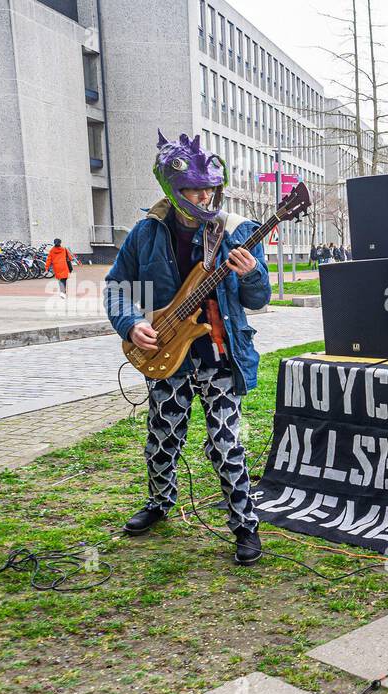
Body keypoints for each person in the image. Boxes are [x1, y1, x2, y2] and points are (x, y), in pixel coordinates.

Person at [104, 131, 271, 565]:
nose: (205, 196)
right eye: (195, 189)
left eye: (210, 188)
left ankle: (244, 527)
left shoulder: (237, 230)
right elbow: (118, 287)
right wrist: (132, 323)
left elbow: (258, 299)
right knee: (162, 437)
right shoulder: (146, 232)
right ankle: (160, 504)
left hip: (218, 353)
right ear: (173, 189)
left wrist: (252, 274)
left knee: (226, 443)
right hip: (166, 352)